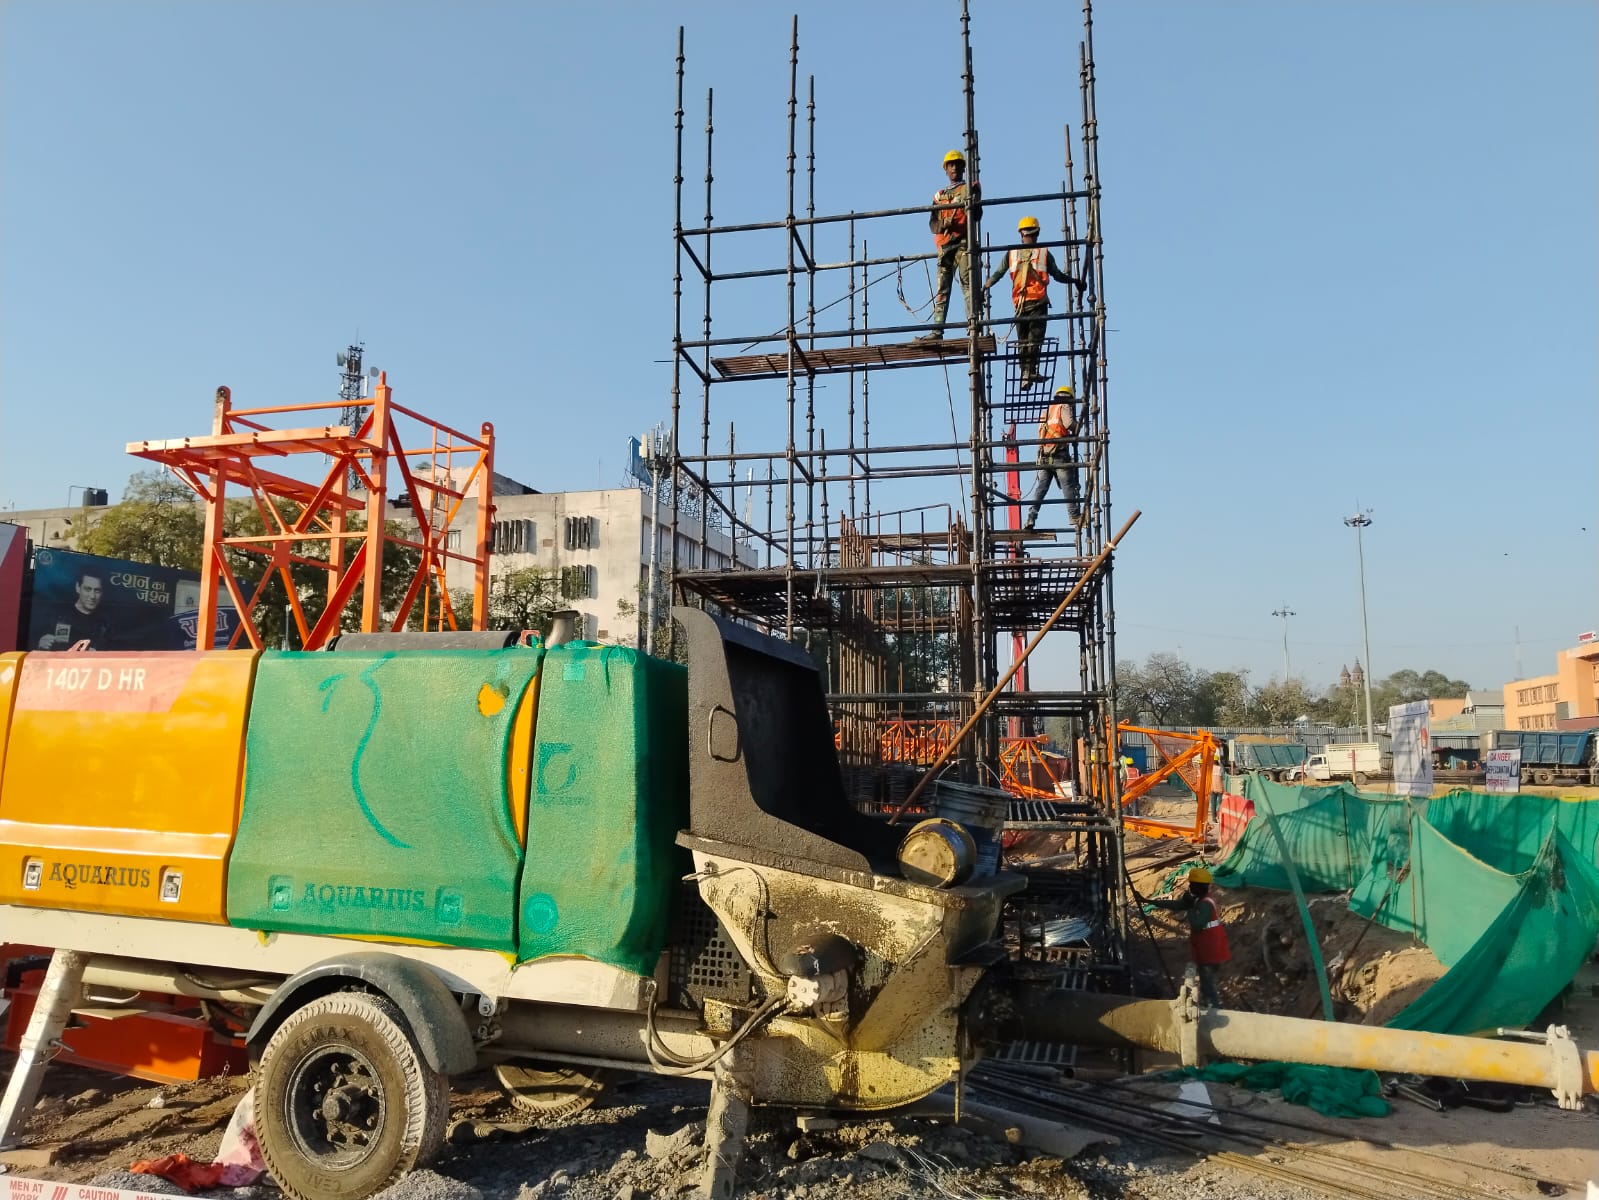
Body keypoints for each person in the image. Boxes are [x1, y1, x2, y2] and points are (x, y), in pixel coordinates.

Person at [983, 215, 1085, 389]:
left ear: (1021, 234)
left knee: (1023, 341)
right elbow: (1058, 275)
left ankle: (1025, 373)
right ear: (1037, 233)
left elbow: (997, 274)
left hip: (1020, 305)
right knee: (1034, 340)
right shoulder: (1044, 253)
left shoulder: (1012, 253)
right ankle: (1029, 371)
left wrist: (984, 287)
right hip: (1037, 302)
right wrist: (1075, 280)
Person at [916, 149, 981, 342]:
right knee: (942, 289)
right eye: (951, 165)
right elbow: (933, 224)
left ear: (963, 168)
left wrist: (972, 199)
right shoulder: (939, 196)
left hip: (963, 243)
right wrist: (942, 225)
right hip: (945, 247)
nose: (954, 168)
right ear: (946, 169)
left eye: (958, 165)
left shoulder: (969, 188)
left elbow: (977, 215)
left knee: (968, 284)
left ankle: (973, 326)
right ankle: (937, 330)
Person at [1143, 865, 1230, 1006]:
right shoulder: (1197, 899)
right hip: (1206, 949)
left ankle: (1214, 1011)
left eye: (1193, 885)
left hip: (1212, 950)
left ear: (1201, 887)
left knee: (1209, 985)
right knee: (1206, 981)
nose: (1190, 887)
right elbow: (1176, 905)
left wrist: (1189, 907)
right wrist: (1151, 902)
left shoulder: (1206, 904)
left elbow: (1196, 924)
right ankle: (1209, 1006)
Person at [1022, 385, 1082, 531]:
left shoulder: (1046, 410)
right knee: (1068, 485)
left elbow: (1041, 430)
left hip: (1043, 455)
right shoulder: (1064, 406)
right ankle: (1074, 515)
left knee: (1041, 489)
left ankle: (1031, 517)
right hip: (1058, 454)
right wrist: (1078, 426)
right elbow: (1069, 424)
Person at [36, 567, 113, 650]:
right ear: (78, 588)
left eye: (97, 590)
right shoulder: (57, 615)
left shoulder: (104, 624)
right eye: (87, 589)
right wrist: (40, 643)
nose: (92, 596)